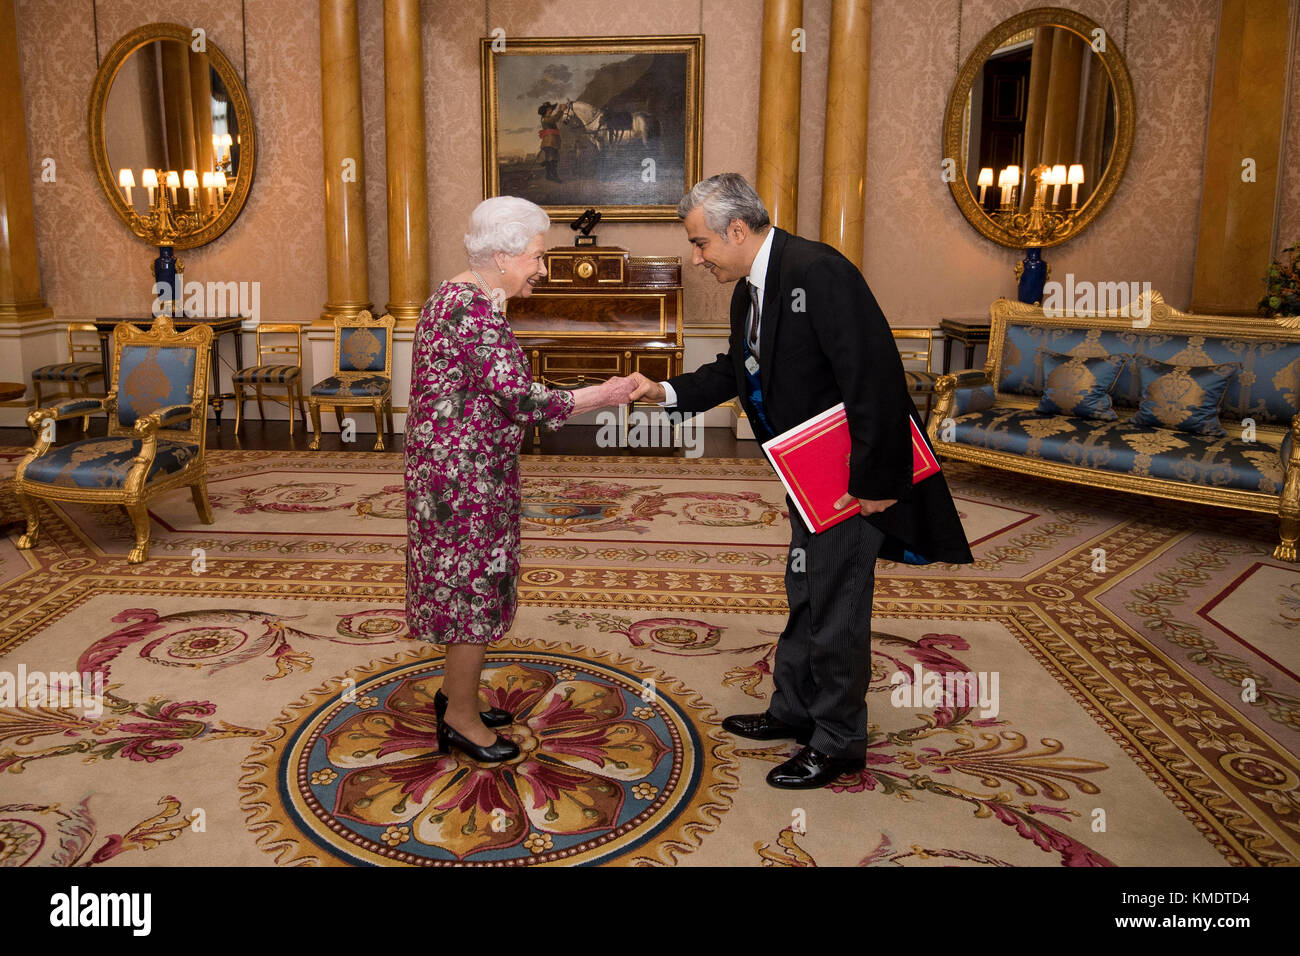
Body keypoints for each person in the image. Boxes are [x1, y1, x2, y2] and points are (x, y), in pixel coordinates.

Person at [626, 173, 973, 789]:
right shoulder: (750, 290)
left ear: (737, 229)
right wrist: (669, 390)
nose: (698, 257)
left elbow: (874, 376)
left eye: (701, 243)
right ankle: (793, 709)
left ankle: (838, 739)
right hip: (805, 473)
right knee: (806, 587)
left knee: (838, 603)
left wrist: (875, 481)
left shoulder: (819, 270)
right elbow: (739, 367)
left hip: (848, 478)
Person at [406, 195, 634, 763]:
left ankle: (455, 694)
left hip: (460, 469)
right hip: (464, 480)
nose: (540, 267)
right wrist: (597, 396)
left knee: (468, 582)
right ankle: (459, 718)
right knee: (473, 588)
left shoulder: (464, 295)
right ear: (504, 255)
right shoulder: (471, 309)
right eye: (536, 256)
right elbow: (519, 397)